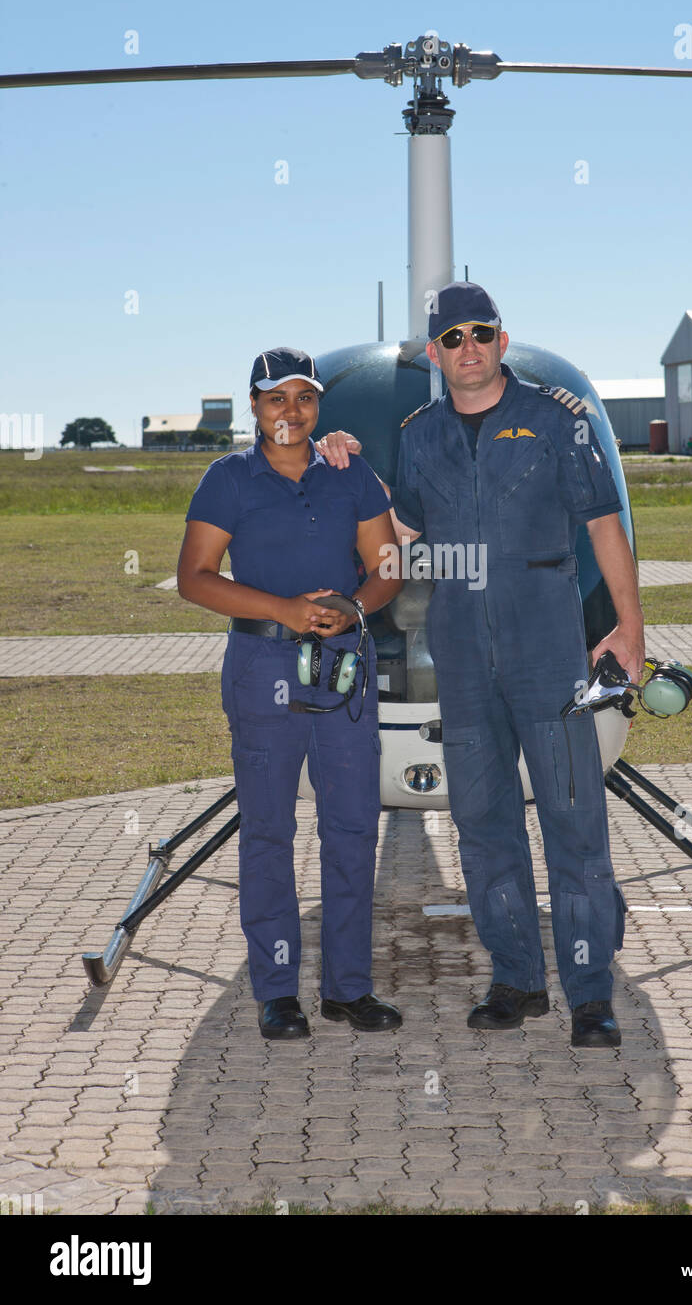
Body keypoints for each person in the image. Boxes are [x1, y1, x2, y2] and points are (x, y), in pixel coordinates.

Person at [319, 284, 645, 1047]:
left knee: (574, 823)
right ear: (435, 353)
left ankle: (590, 994)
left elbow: (603, 523)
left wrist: (629, 626)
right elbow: (401, 526)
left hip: (547, 652)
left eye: (481, 333)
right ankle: (518, 980)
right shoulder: (421, 434)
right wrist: (343, 466)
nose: (468, 347)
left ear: (501, 341)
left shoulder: (555, 421)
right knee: (484, 825)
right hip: (463, 656)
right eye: (453, 337)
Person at [177, 347, 403, 1039]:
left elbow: (387, 564)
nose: (292, 411)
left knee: (353, 827)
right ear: (253, 405)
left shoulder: (349, 471)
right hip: (262, 668)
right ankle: (278, 991)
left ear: (317, 406)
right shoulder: (228, 479)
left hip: (341, 669)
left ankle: (347, 990)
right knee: (270, 832)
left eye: (304, 398)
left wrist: (355, 608)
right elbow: (195, 576)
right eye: (277, 399)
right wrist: (283, 610)